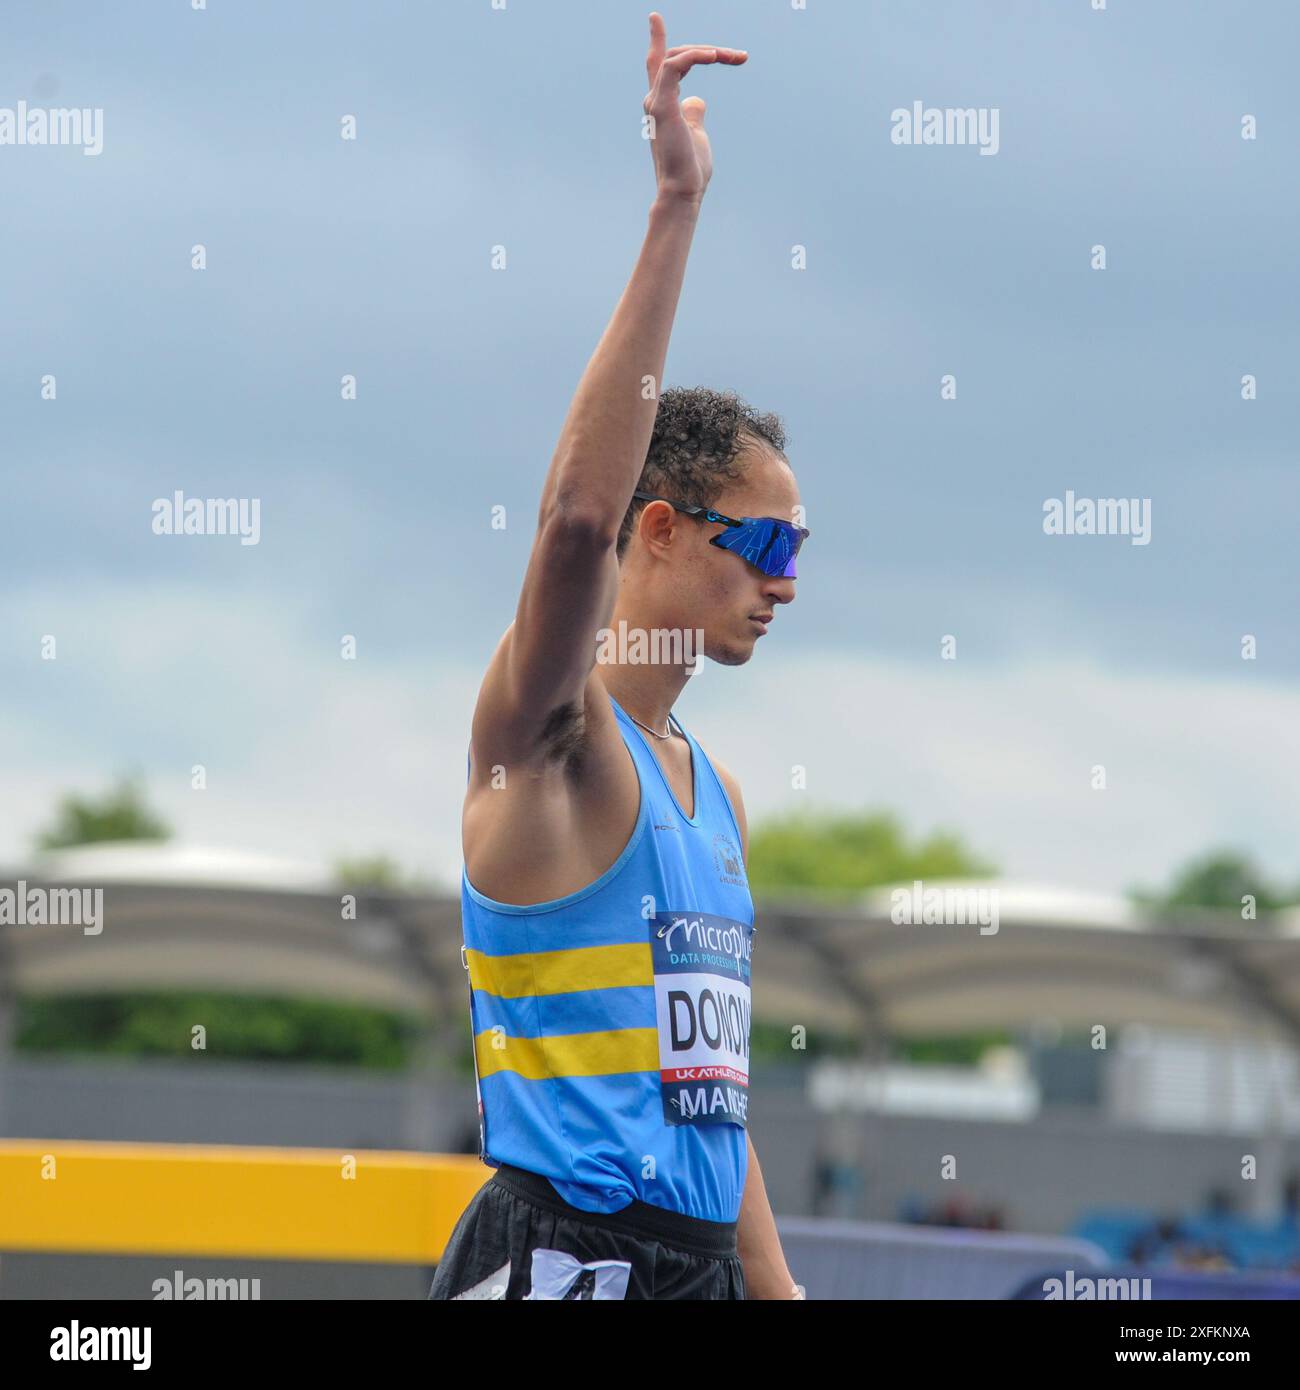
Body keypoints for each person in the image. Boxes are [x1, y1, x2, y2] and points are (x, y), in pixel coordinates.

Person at [430, 12, 805, 1301]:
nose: (786, 579)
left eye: (801, 547)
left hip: (693, 1273)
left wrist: (777, 1290)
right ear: (662, 527)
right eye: (761, 540)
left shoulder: (719, 797)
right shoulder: (555, 740)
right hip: (557, 1264)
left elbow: (715, 1096)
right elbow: (572, 523)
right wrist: (676, 212)